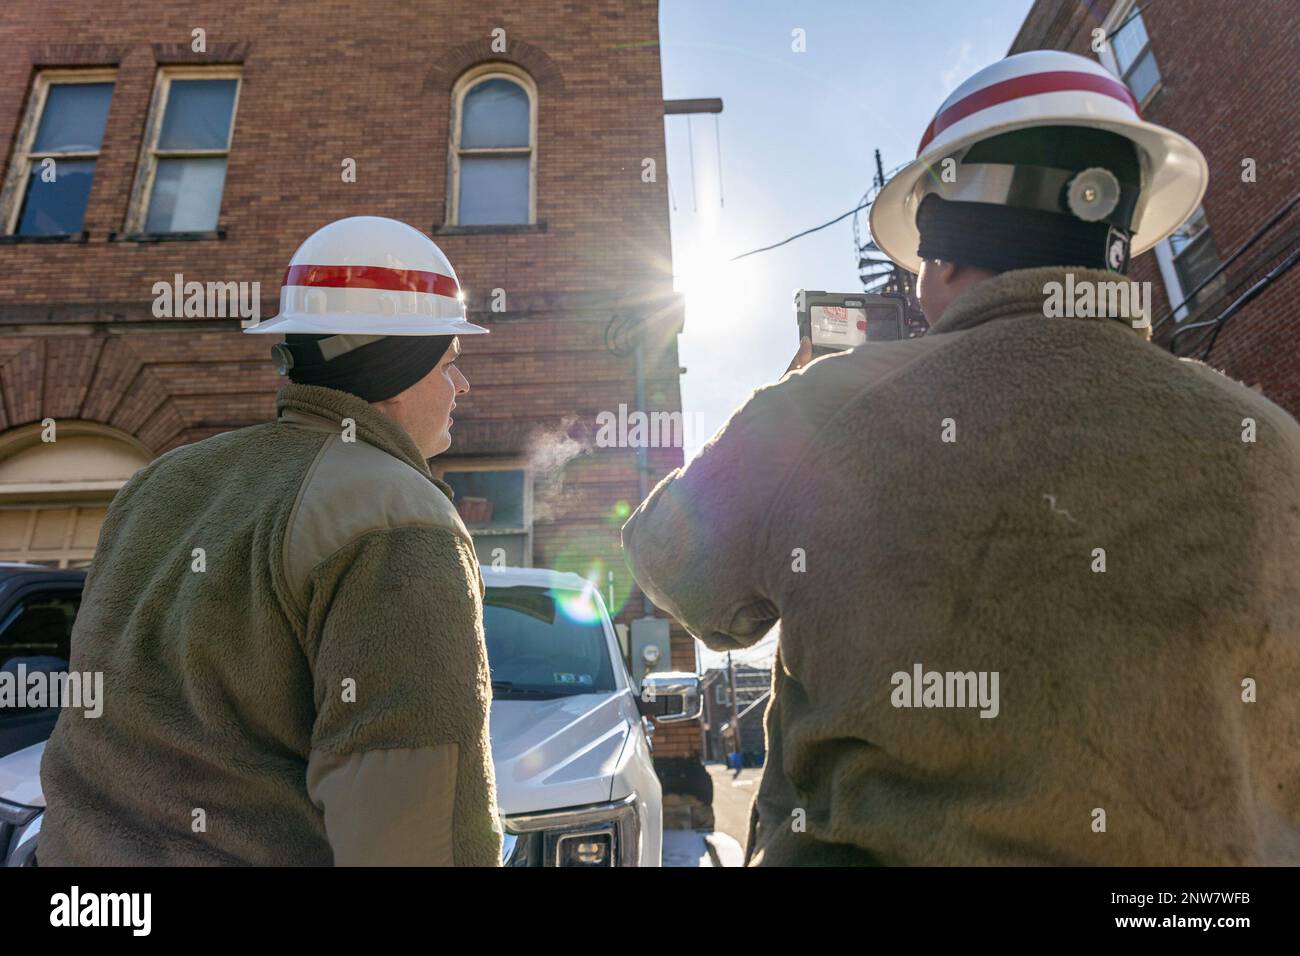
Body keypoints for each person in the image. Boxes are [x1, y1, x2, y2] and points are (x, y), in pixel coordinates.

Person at [622, 51, 1300, 865]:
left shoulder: (821, 410)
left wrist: (792, 399)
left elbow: (667, 560)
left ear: (944, 255)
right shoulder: (1271, 443)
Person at [39, 216, 503, 866]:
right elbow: (410, 835)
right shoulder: (398, 518)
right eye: (449, 361)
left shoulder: (160, 482)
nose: (463, 386)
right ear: (396, 365)